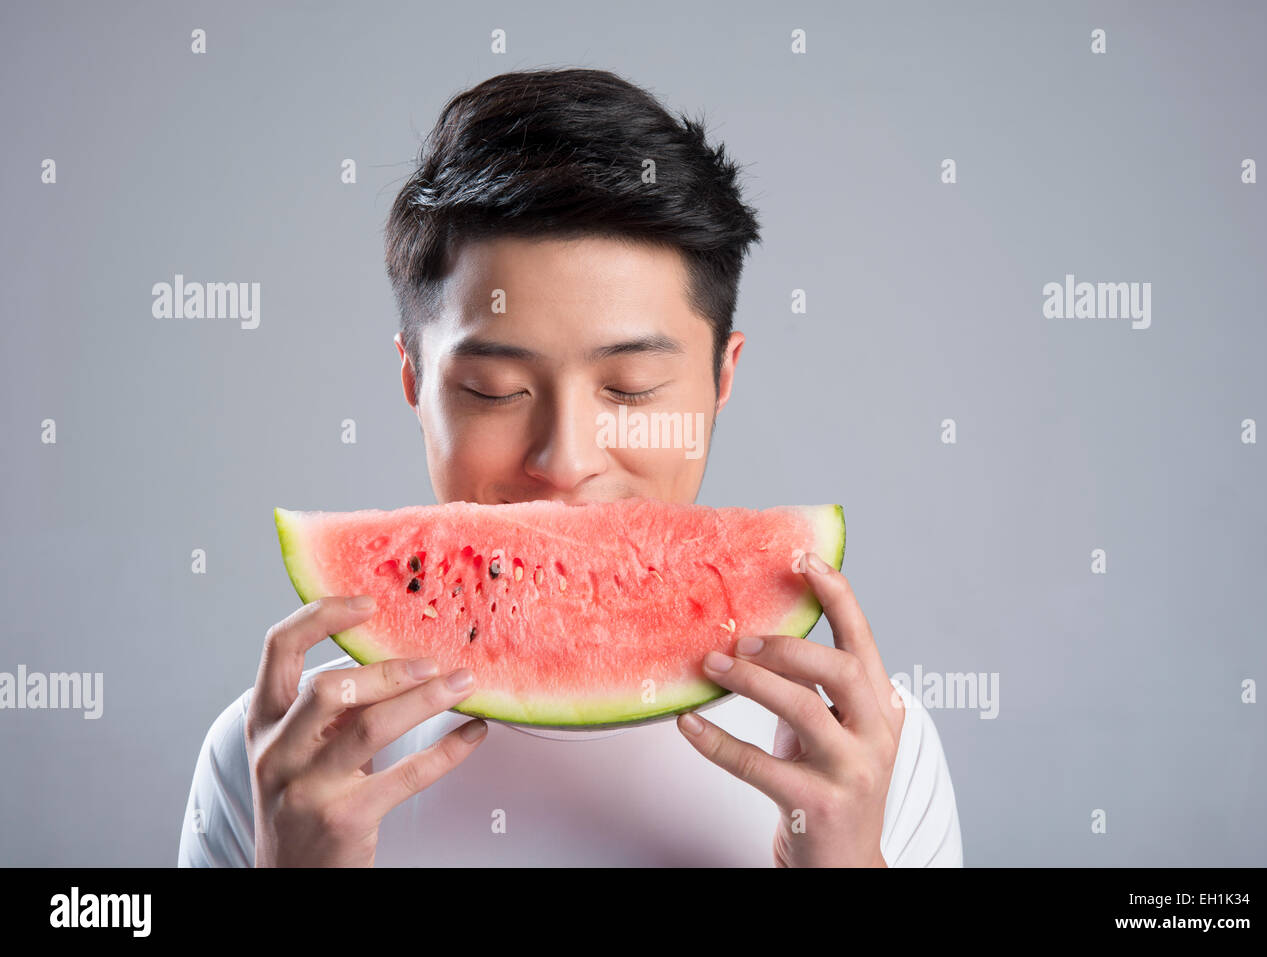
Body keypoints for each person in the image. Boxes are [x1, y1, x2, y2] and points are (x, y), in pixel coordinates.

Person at [179, 67, 962, 867]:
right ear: (414, 381)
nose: (566, 461)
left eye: (630, 388)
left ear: (721, 380)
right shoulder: (274, 765)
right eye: (497, 390)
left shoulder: (866, 759)